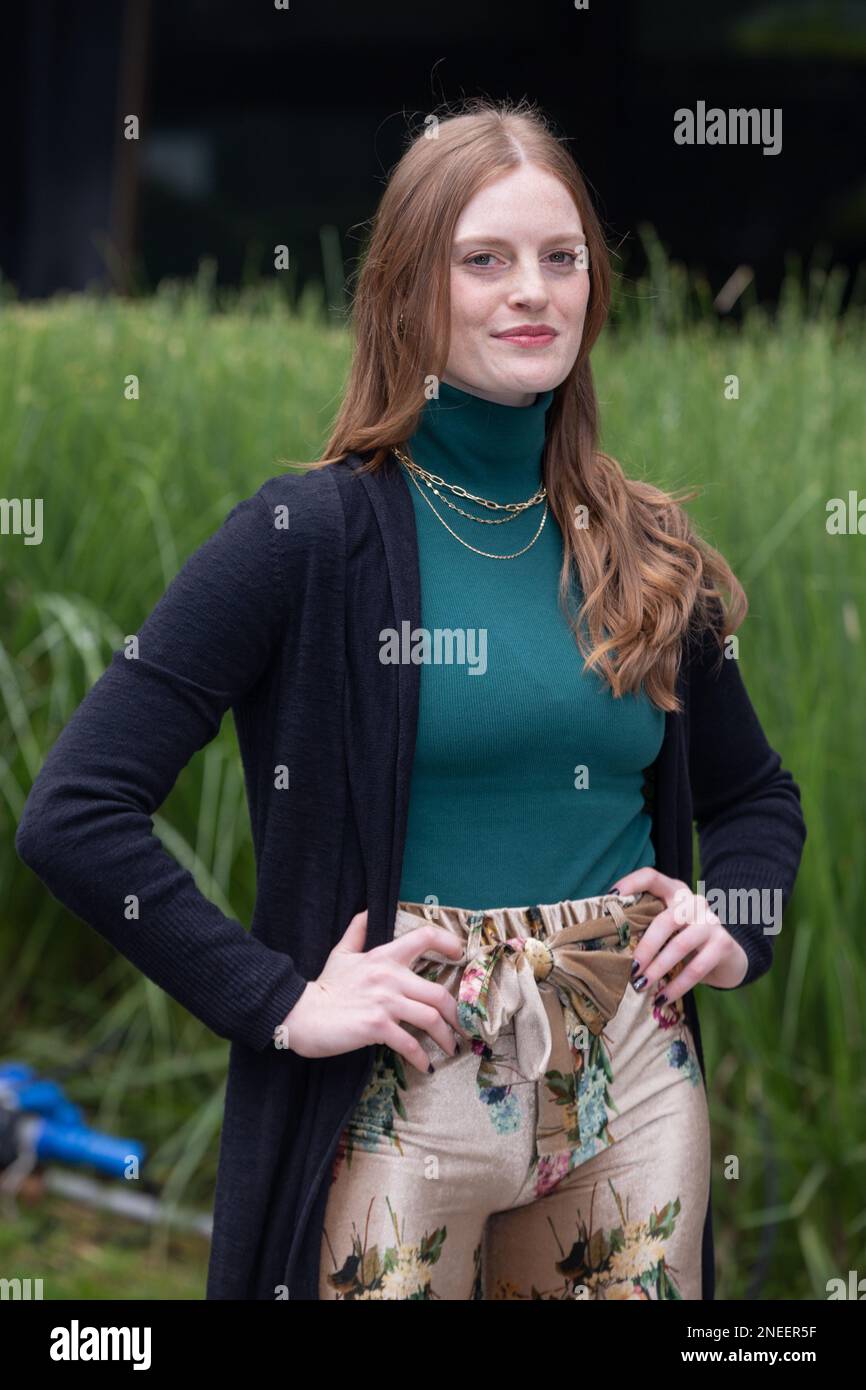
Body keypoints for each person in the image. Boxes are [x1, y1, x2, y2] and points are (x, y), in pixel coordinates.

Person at [15, 97, 807, 1301]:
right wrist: (277, 1001)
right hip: (400, 1080)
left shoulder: (640, 544)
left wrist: (735, 921)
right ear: (404, 292)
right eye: (481, 260)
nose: (529, 291)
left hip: (634, 1074)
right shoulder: (305, 539)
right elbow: (76, 810)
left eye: (560, 259)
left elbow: (756, 796)